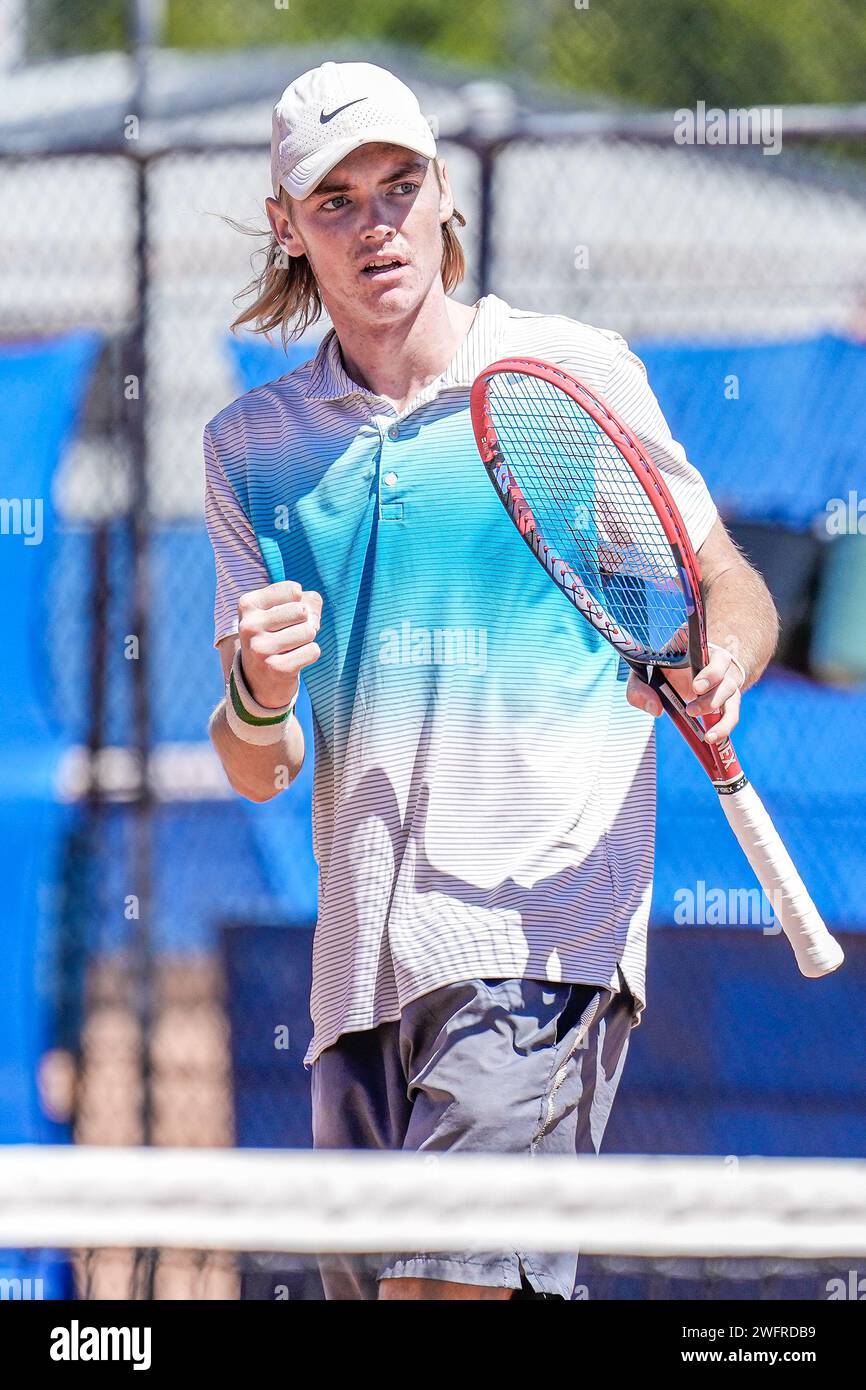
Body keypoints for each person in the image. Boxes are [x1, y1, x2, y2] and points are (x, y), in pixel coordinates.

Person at [204, 60, 778, 1300]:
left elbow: (722, 582)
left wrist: (719, 656)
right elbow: (257, 765)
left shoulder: (568, 373)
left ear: (441, 194)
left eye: (398, 186)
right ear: (287, 226)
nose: (375, 225)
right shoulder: (248, 451)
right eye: (336, 200)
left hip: (536, 943)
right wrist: (256, 690)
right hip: (356, 978)